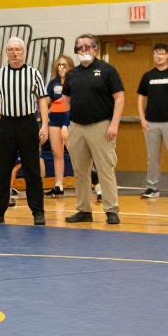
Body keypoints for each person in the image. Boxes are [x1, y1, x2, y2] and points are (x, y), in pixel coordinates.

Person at [60, 34, 125, 224]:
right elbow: (65, 102)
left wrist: (114, 124)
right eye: (79, 48)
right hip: (77, 127)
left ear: (95, 48)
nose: (83, 50)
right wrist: (66, 124)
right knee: (80, 171)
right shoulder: (72, 74)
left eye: (87, 47)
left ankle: (111, 209)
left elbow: (119, 98)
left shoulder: (107, 71)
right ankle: (83, 209)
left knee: (105, 168)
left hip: (101, 126)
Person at [0, 38, 49, 226]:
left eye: (18, 49)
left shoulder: (33, 73)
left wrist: (44, 124)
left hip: (28, 124)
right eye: (11, 49)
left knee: (32, 169)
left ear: (24, 51)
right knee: (3, 169)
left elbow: (42, 100)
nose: (15, 53)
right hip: (6, 125)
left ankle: (38, 212)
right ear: (6, 52)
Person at [136, 43, 168, 200]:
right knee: (152, 157)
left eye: (160, 53)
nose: (157, 57)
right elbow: (140, 98)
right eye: (155, 54)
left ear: (167, 55)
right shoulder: (148, 76)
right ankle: (152, 187)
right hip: (151, 123)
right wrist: (142, 119)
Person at [45, 55, 73, 198]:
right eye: (60, 64)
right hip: (54, 120)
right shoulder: (53, 83)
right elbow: (47, 100)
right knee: (57, 153)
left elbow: (74, 103)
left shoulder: (74, 81)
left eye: (65, 64)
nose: (62, 67)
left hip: (69, 120)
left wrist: (66, 124)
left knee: (76, 154)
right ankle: (58, 184)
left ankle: (92, 184)